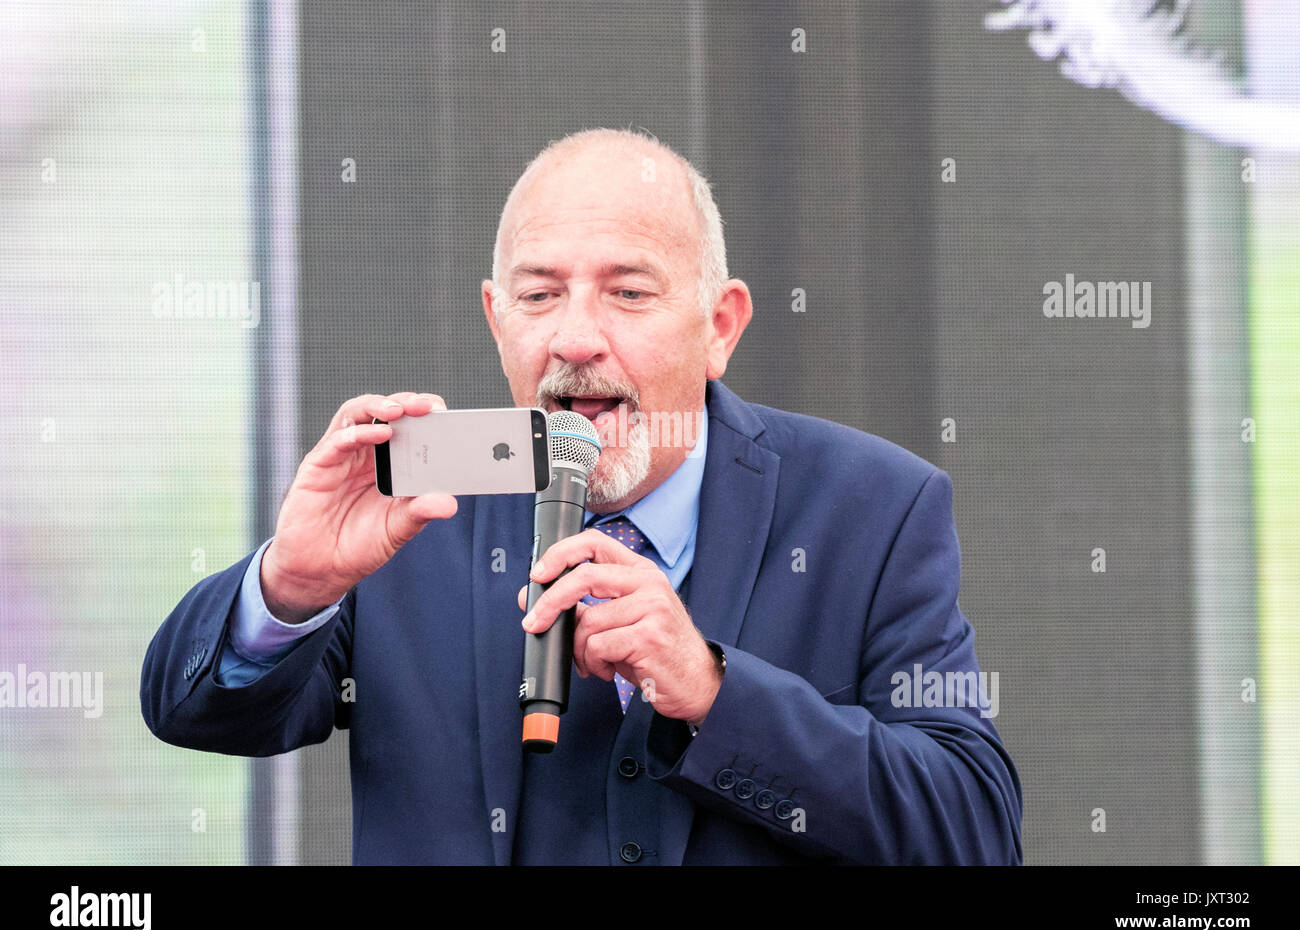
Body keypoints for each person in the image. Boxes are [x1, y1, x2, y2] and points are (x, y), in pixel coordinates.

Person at [141, 128, 1023, 864]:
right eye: (540, 294)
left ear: (720, 326)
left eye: (628, 294)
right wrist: (292, 586)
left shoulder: (872, 508)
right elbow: (191, 714)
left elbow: (973, 829)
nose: (574, 338)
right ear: (497, 318)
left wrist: (715, 693)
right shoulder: (419, 497)